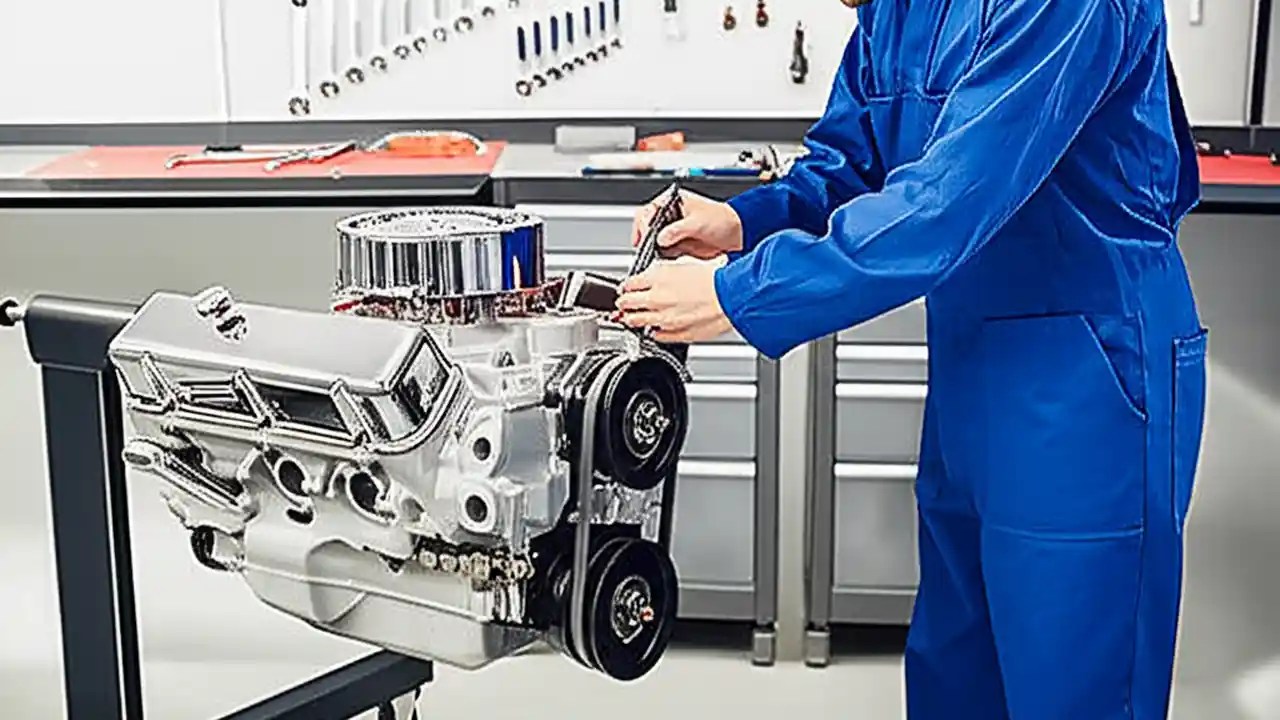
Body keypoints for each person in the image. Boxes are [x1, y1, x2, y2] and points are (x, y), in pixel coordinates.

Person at [617, 0, 1208, 718]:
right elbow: (850, 164)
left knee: (1072, 687)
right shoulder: (894, 14)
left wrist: (735, 293)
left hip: (1092, 380)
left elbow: (950, 198)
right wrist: (741, 221)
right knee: (955, 676)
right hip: (973, 370)